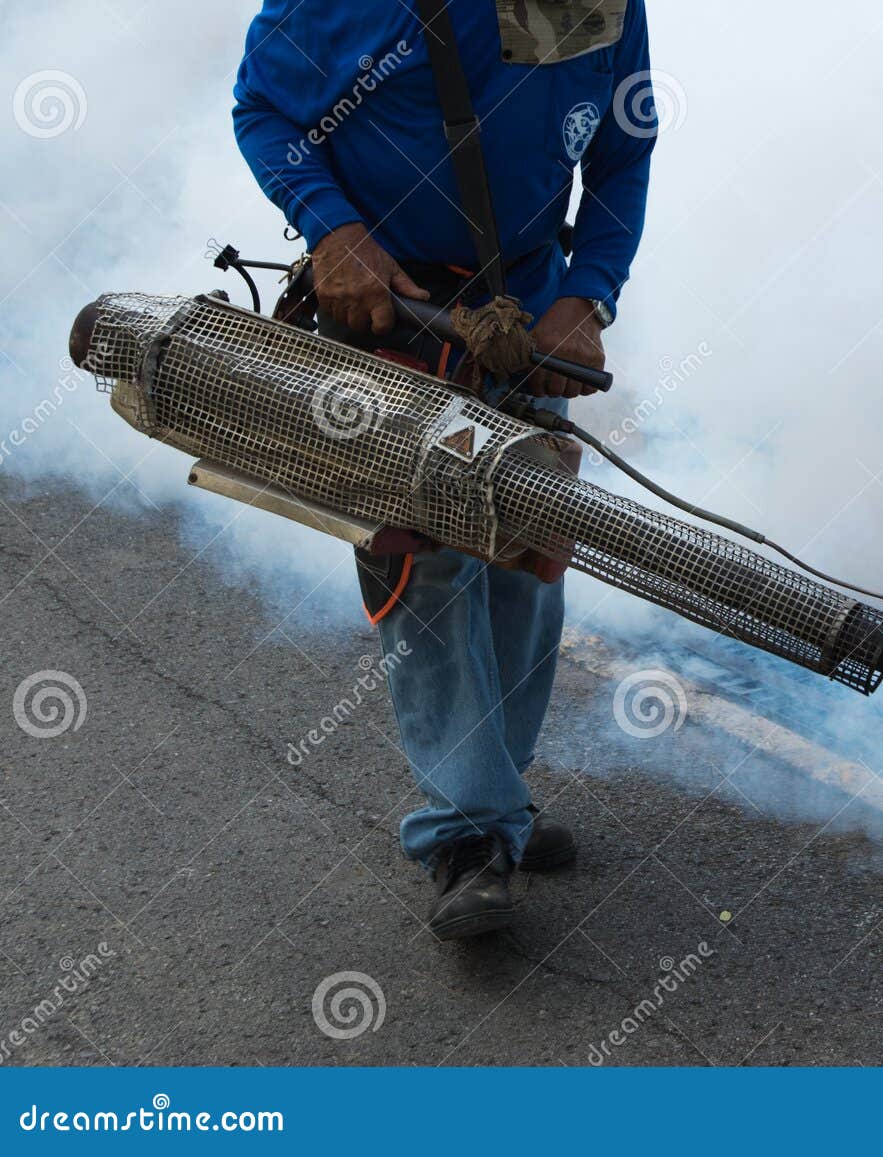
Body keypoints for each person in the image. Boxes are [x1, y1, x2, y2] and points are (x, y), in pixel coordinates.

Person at [231, 0, 656, 938]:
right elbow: (264, 109)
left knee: (527, 562)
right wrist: (332, 230)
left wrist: (590, 293)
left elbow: (624, 153)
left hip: (529, 315)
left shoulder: (608, 5)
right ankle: (467, 830)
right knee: (423, 568)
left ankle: (496, 799)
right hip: (398, 319)